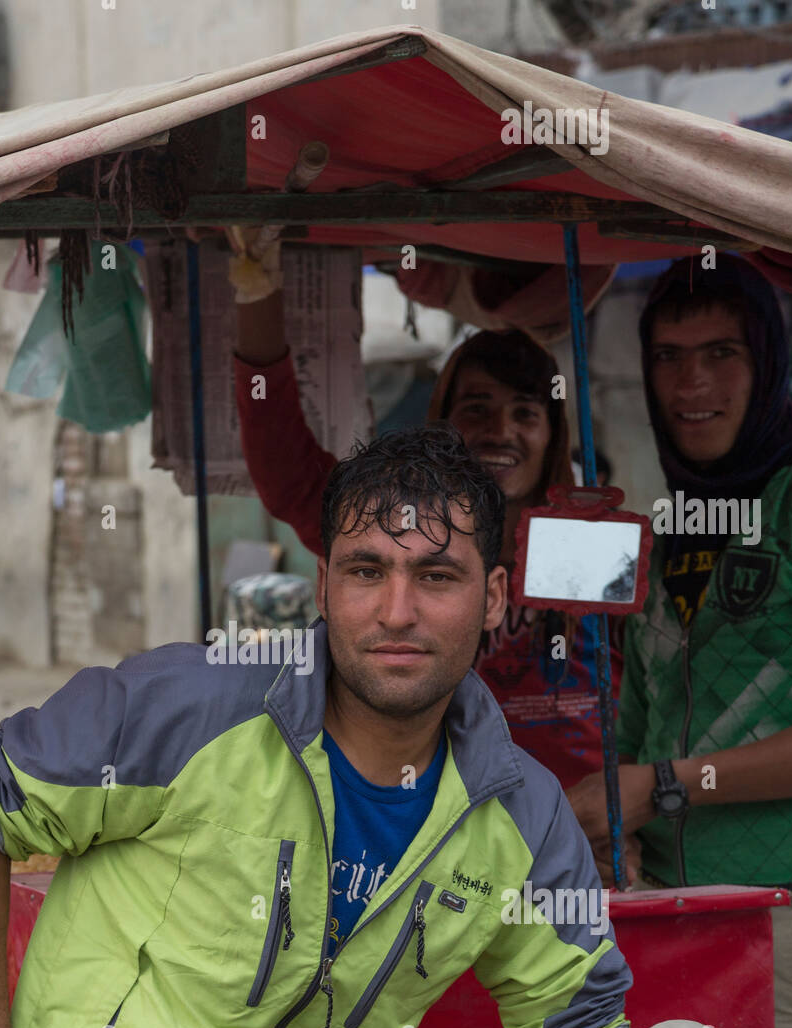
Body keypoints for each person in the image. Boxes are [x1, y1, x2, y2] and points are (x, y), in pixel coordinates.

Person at [0, 426, 632, 1028]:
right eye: (367, 571)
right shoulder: (191, 707)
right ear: (325, 585)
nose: (397, 611)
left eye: (436, 576)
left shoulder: (519, 805)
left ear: (492, 597)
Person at [566, 253, 792, 1028]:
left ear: (767, 363)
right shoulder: (664, 528)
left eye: (721, 353)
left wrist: (669, 785)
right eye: (667, 357)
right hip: (674, 930)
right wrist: (623, 829)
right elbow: (636, 732)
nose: (691, 381)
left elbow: (656, 769)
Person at [233, 283, 626, 800]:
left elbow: (639, 694)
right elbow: (286, 467)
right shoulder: (393, 525)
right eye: (478, 408)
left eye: (526, 413)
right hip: (428, 830)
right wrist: (253, 282)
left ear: (553, 434)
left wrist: (624, 812)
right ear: (443, 420)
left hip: (573, 829)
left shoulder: (590, 545)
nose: (501, 431)